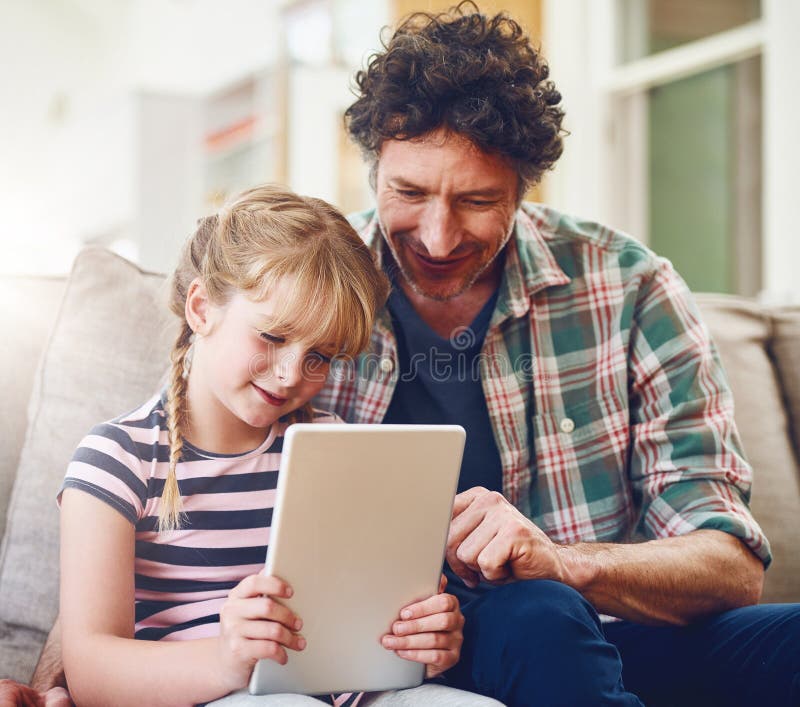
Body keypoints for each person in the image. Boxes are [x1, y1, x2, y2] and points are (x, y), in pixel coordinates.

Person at [310, 3, 800, 706]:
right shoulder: (310, 293)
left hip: (612, 630)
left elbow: (730, 563)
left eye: (478, 200)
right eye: (409, 192)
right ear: (373, 169)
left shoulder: (630, 286)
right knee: (540, 614)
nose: (440, 237)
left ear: (526, 185)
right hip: (433, 645)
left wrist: (562, 561)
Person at [49, 185, 495, 707]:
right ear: (201, 308)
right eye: (274, 337)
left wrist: (424, 640)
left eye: (319, 357)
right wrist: (225, 657)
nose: (289, 376)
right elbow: (91, 671)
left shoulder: (333, 447)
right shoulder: (117, 460)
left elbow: (370, 623)